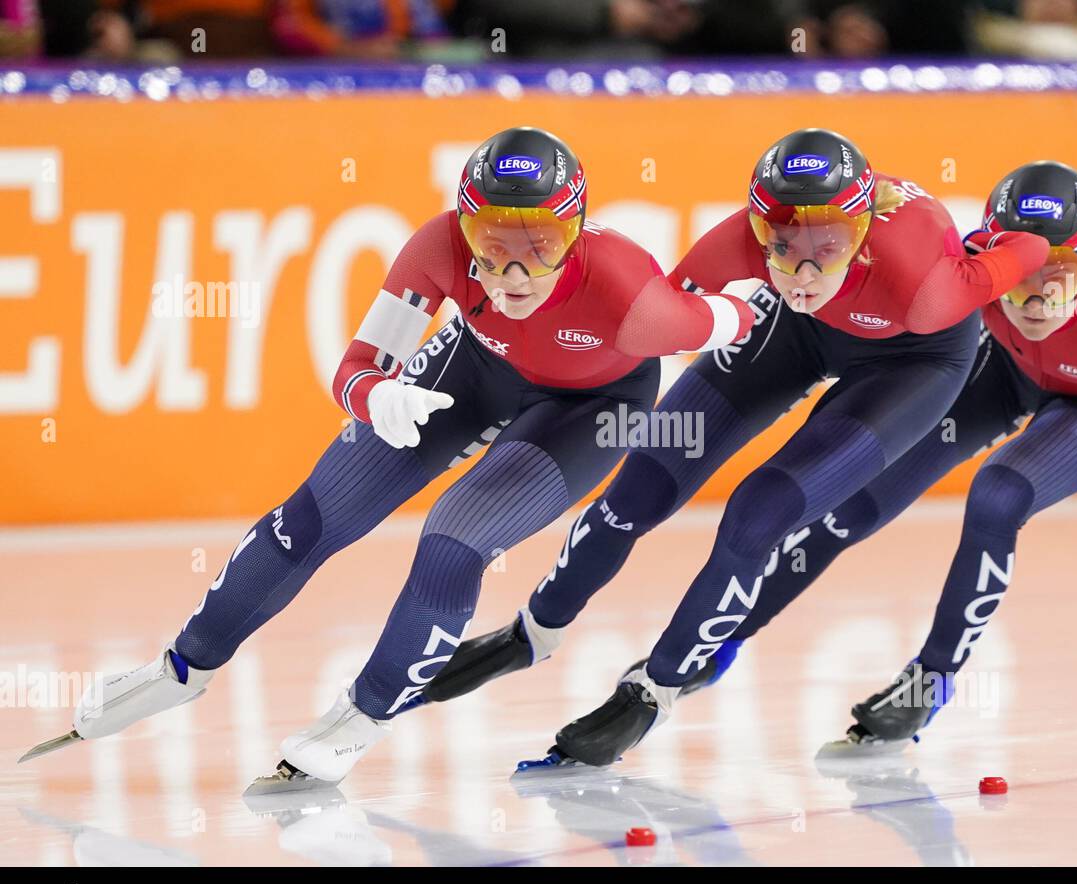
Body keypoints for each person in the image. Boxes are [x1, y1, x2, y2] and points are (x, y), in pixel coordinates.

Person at [25, 127, 756, 791]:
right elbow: (355, 366)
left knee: (451, 543)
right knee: (308, 518)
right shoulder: (437, 248)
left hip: (592, 409)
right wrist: (377, 398)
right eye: (489, 240)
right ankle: (181, 666)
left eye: (539, 244)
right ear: (462, 225)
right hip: (474, 370)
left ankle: (363, 716)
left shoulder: (631, 293)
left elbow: (732, 318)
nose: (510, 269)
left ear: (575, 232)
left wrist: (749, 307)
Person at [421, 128, 1052, 768]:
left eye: (827, 247)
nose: (804, 272)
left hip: (914, 361)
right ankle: (534, 632)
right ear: (756, 229)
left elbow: (1028, 246)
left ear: (863, 235)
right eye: (782, 245)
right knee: (641, 482)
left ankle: (657, 687)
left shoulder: (926, 285)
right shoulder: (737, 244)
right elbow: (649, 321)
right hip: (793, 333)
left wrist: (991, 247)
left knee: (760, 512)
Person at [615, 160, 1077, 753]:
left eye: (1068, 276)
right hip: (1005, 372)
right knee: (845, 507)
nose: (1040, 299)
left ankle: (932, 678)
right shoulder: (961, 276)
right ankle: (720, 642)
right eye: (1026, 277)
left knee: (999, 495)